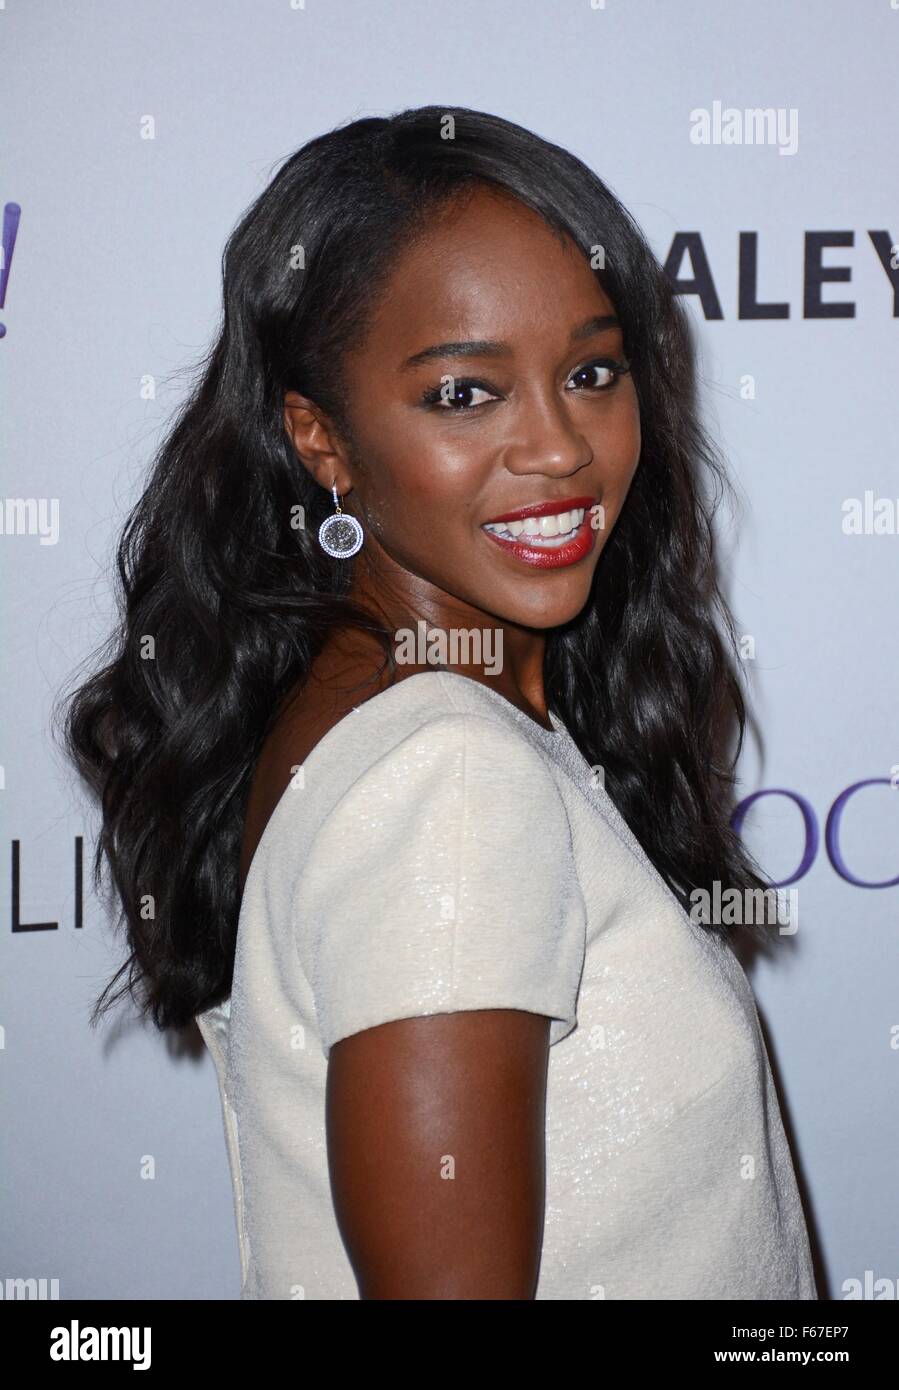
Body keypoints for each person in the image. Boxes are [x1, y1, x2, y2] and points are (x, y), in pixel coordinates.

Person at [62, 105, 818, 1300]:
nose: (560, 448)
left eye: (590, 371)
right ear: (320, 438)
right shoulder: (446, 781)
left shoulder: (390, 703)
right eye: (466, 395)